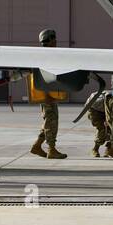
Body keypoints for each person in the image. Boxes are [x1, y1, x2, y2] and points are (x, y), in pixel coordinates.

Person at [29, 28, 66, 160]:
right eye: (54, 39)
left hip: (47, 93)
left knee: (49, 120)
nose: (56, 41)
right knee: (51, 120)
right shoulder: (47, 55)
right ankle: (51, 149)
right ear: (49, 40)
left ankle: (37, 146)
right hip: (47, 94)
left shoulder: (43, 54)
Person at [84, 88, 108, 157]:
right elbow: (87, 108)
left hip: (104, 108)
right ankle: (95, 149)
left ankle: (109, 149)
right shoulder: (96, 102)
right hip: (94, 110)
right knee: (102, 129)